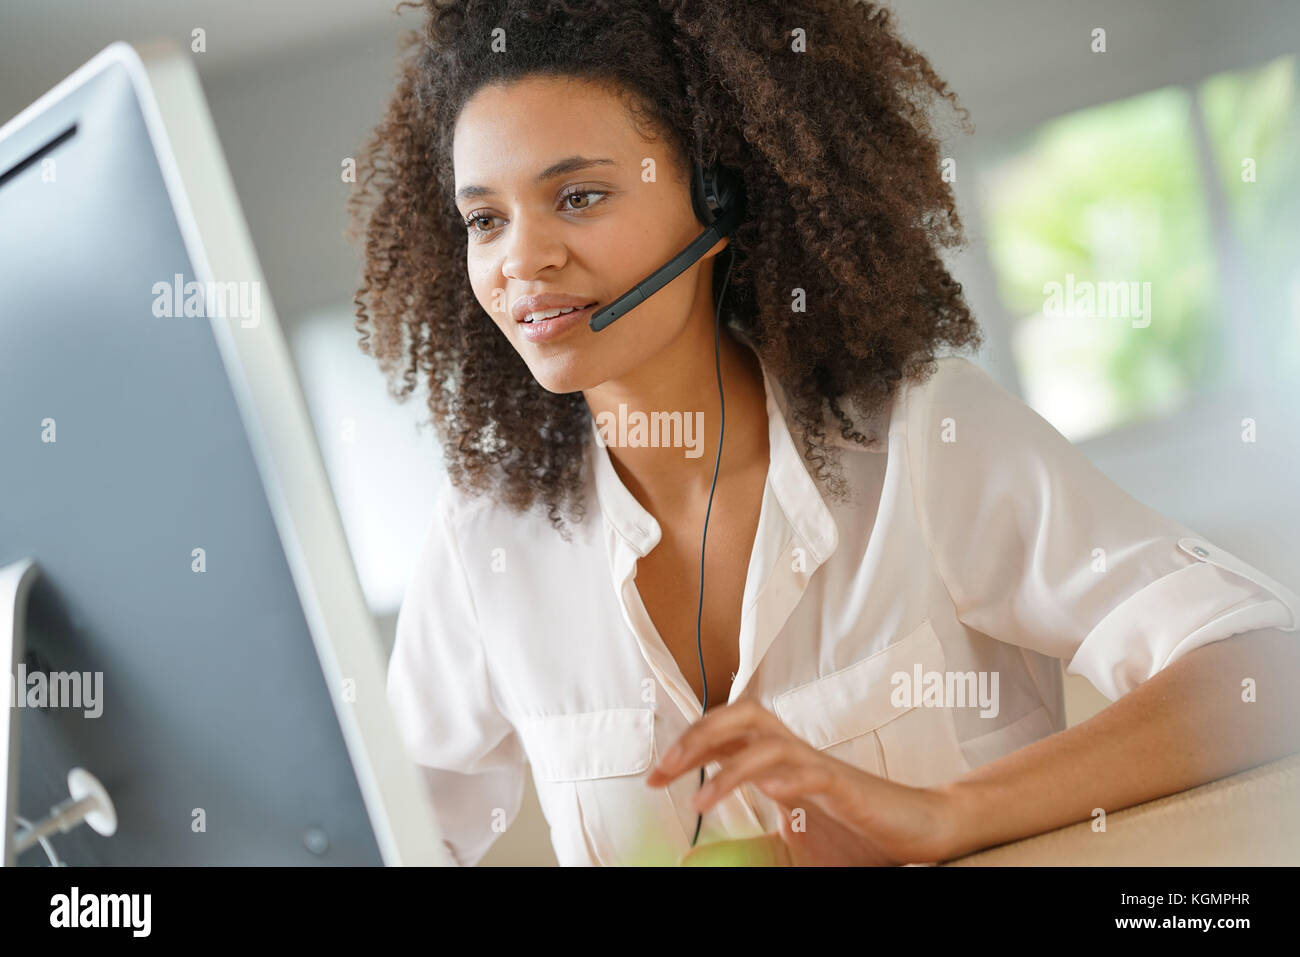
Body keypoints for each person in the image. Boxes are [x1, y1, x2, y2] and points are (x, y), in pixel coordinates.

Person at [349, 0, 1300, 866]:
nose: (523, 259)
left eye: (580, 196)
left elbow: (1264, 671)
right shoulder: (486, 541)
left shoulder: (922, 438)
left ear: (718, 198)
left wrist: (945, 814)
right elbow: (392, 832)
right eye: (484, 218)